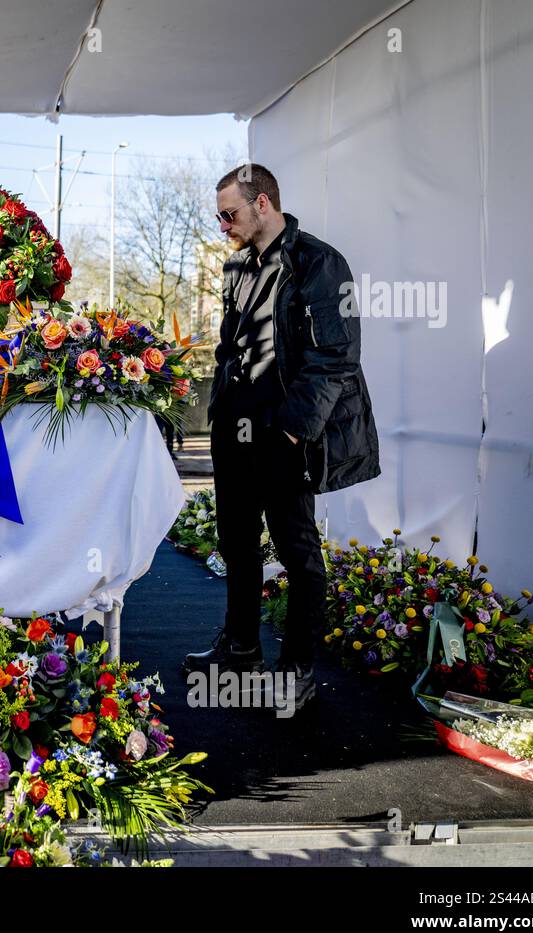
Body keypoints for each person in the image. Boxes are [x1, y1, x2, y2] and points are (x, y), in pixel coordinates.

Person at [182, 163, 380, 716]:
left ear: (262, 203)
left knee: (297, 554)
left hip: (286, 432)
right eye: (220, 216)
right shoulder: (236, 266)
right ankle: (241, 650)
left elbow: (336, 356)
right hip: (235, 430)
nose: (224, 225)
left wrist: (294, 430)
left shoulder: (320, 262)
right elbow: (232, 346)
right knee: (237, 545)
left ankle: (297, 671)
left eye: (231, 213)